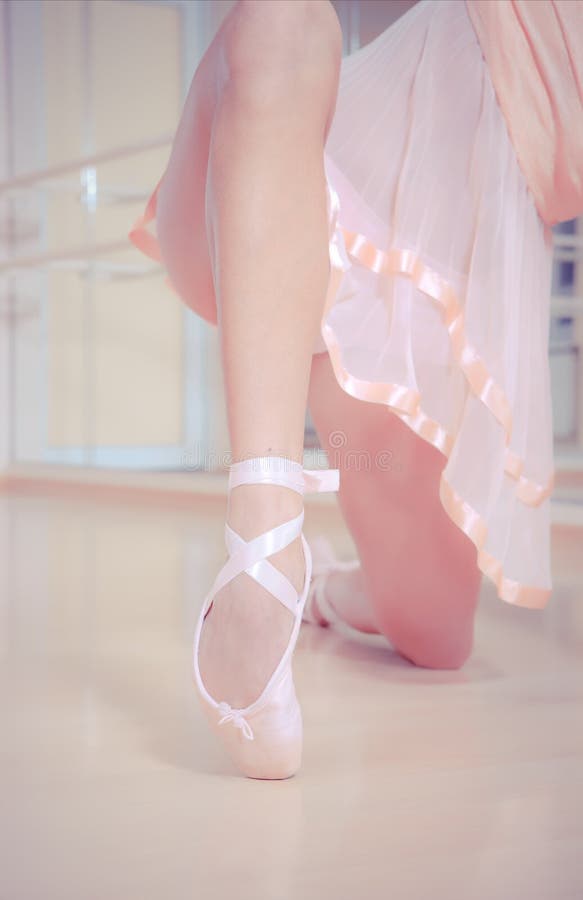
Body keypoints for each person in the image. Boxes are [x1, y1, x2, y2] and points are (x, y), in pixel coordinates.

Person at [129, 0, 583, 779]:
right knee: (282, 15)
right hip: (305, 172)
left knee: (437, 639)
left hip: (442, 247)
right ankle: (262, 536)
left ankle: (322, 588)